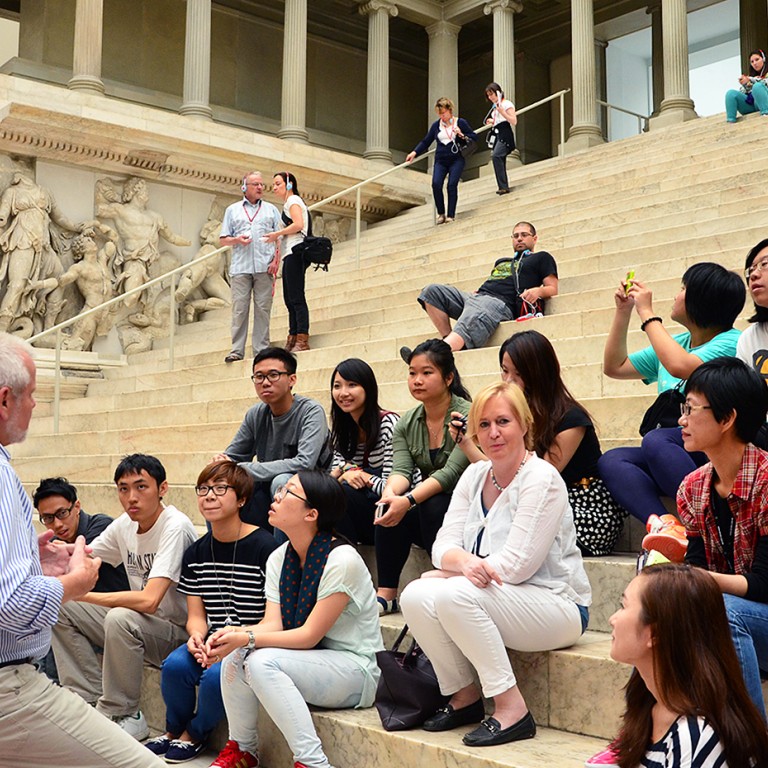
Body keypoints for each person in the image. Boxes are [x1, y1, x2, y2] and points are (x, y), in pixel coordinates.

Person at [0, 332, 166, 767]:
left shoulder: (172, 526)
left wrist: (34, 564)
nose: (36, 405)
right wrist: (70, 585)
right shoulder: (1, 478)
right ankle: (94, 700)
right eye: (33, 394)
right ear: (4, 400)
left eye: (140, 487)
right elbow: (12, 604)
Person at [400, 381, 591, 747]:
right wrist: (458, 565)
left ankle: (511, 708)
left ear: (523, 424)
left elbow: (518, 565)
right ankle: (464, 697)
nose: (493, 433)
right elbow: (442, 545)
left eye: (503, 421)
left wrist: (454, 569)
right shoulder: (475, 475)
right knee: (415, 594)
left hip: (558, 605)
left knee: (453, 592)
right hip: (496, 596)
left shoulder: (541, 478)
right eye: (484, 425)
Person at [204, 471, 383, 768]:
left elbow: (308, 635)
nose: (276, 496)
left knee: (261, 661)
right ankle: (243, 750)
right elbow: (273, 625)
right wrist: (232, 634)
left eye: (288, 492)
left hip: (356, 668)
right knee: (237, 653)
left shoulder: (343, 559)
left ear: (311, 514)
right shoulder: (279, 557)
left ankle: (313, 763)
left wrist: (246, 636)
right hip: (312, 661)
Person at [51, 453, 197, 741]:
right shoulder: (124, 524)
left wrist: (87, 596)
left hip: (177, 636)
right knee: (60, 603)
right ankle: (88, 701)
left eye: (141, 487)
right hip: (141, 626)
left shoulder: (175, 526)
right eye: (123, 489)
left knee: (119, 616)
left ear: (163, 488)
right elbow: (87, 560)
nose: (131, 497)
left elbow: (150, 600)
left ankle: (127, 714)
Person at [145, 460, 278, 763]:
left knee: (217, 675)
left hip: (251, 641)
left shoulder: (265, 547)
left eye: (220, 489)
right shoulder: (196, 552)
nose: (209, 496)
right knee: (176, 666)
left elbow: (273, 618)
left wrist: (230, 642)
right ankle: (172, 732)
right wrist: (196, 637)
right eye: (203, 489)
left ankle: (195, 734)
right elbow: (196, 616)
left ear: (242, 499)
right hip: (212, 640)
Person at [598, 262, 745, 528]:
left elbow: (681, 367)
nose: (676, 296)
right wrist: (624, 312)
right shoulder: (676, 343)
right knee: (614, 460)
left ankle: (711, 518)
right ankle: (667, 527)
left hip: (712, 450)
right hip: (673, 448)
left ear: (702, 300)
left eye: (683, 289)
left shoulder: (733, 342)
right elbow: (614, 367)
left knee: (656, 441)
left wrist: (646, 312)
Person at [594, 564, 768, 768]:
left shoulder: (696, 736)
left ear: (656, 633)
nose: (612, 619)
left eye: (624, 606)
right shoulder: (650, 706)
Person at [675, 357, 768, 719]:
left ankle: (752, 748)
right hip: (740, 618)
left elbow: (763, 584)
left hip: (751, 614)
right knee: (655, 613)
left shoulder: (765, 479)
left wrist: (691, 580)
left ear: (727, 419)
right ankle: (642, 739)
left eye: (691, 409)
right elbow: (696, 564)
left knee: (724, 613)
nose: (681, 420)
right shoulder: (692, 487)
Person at [493, 331, 623, 556]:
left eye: (518, 374)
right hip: (540, 504)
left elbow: (541, 477)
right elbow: (499, 473)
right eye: (505, 371)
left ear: (538, 374)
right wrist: (466, 442)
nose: (508, 381)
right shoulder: (519, 415)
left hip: (586, 510)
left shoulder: (571, 419)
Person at [375, 339, 471, 614]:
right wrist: (391, 493)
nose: (417, 380)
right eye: (412, 373)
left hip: (466, 509)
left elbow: (451, 473)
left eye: (427, 373)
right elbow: (401, 470)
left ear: (448, 377)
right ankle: (387, 593)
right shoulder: (407, 422)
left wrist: (408, 501)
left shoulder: (468, 414)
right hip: (432, 505)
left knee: (431, 503)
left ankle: (444, 576)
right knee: (389, 505)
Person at [214, 346, 332, 530]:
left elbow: (304, 463)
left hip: (312, 488)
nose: (265, 382)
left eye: (273, 375)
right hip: (268, 485)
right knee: (219, 484)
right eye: (259, 377)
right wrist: (221, 463)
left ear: (292, 379)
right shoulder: (256, 414)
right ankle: (222, 551)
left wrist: (244, 468)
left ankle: (284, 554)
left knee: (282, 482)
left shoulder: (310, 411)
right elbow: (233, 457)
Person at [414, 222, 557, 352]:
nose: (519, 238)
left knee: (480, 308)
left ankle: (439, 354)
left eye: (524, 235)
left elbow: (552, 288)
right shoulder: (501, 261)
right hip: (478, 297)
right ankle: (448, 340)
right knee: (431, 292)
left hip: (500, 303)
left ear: (535, 238)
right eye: (516, 236)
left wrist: (538, 290)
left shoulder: (542, 257)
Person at [329, 358, 400, 545]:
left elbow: (392, 488)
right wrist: (346, 473)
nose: (343, 393)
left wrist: (363, 476)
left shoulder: (389, 424)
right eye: (337, 386)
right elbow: (332, 477)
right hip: (358, 515)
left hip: (391, 514)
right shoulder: (341, 430)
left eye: (352, 385)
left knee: (340, 494)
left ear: (368, 387)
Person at [0, 172, 82, 333]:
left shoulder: (44, 191)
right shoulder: (12, 192)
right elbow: (2, 216)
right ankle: (3, 329)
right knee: (17, 284)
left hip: (44, 245)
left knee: (60, 279)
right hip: (23, 240)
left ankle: (48, 328)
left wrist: (77, 227)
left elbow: (59, 216)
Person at [219, 171, 281, 363]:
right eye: (256, 184)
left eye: (262, 184)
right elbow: (223, 240)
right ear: (245, 187)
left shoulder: (271, 209)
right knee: (240, 309)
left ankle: (261, 350)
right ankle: (237, 350)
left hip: (265, 266)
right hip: (240, 268)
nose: (260, 187)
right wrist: (237, 240)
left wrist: (276, 261)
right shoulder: (232, 210)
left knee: (263, 308)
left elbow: (279, 238)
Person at [405, 97, 477, 224]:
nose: (442, 116)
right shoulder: (436, 126)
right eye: (440, 114)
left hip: (456, 158)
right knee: (436, 184)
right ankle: (441, 213)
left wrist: (461, 134)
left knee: (451, 185)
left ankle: (451, 214)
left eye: (443, 113)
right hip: (441, 160)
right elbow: (426, 141)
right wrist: (414, 152)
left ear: (450, 110)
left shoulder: (460, 122)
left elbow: (473, 136)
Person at [263, 171, 311, 352]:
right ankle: (293, 337)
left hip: (296, 251)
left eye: (278, 183)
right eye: (274, 184)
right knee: (290, 298)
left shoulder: (293, 201)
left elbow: (298, 224)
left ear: (289, 185)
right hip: (289, 253)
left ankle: (302, 338)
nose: (274, 187)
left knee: (296, 297)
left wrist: (277, 233)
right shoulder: (288, 203)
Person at [483, 82, 517, 195]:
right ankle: (503, 186)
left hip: (505, 134)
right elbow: (499, 120)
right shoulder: (494, 108)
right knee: (498, 157)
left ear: (497, 92)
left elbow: (513, 120)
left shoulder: (506, 104)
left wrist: (502, 112)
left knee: (496, 155)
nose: (490, 97)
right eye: (488, 95)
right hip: (497, 134)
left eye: (492, 94)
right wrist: (492, 121)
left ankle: (503, 185)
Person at [725, 48, 768, 123]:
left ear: (764, 59)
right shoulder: (751, 77)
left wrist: (751, 80)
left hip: (765, 102)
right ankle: (730, 121)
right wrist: (746, 84)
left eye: (757, 59)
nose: (754, 63)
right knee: (730, 93)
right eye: (752, 61)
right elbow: (743, 92)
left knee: (757, 86)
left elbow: (764, 83)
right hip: (753, 105)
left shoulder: (752, 78)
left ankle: (766, 113)